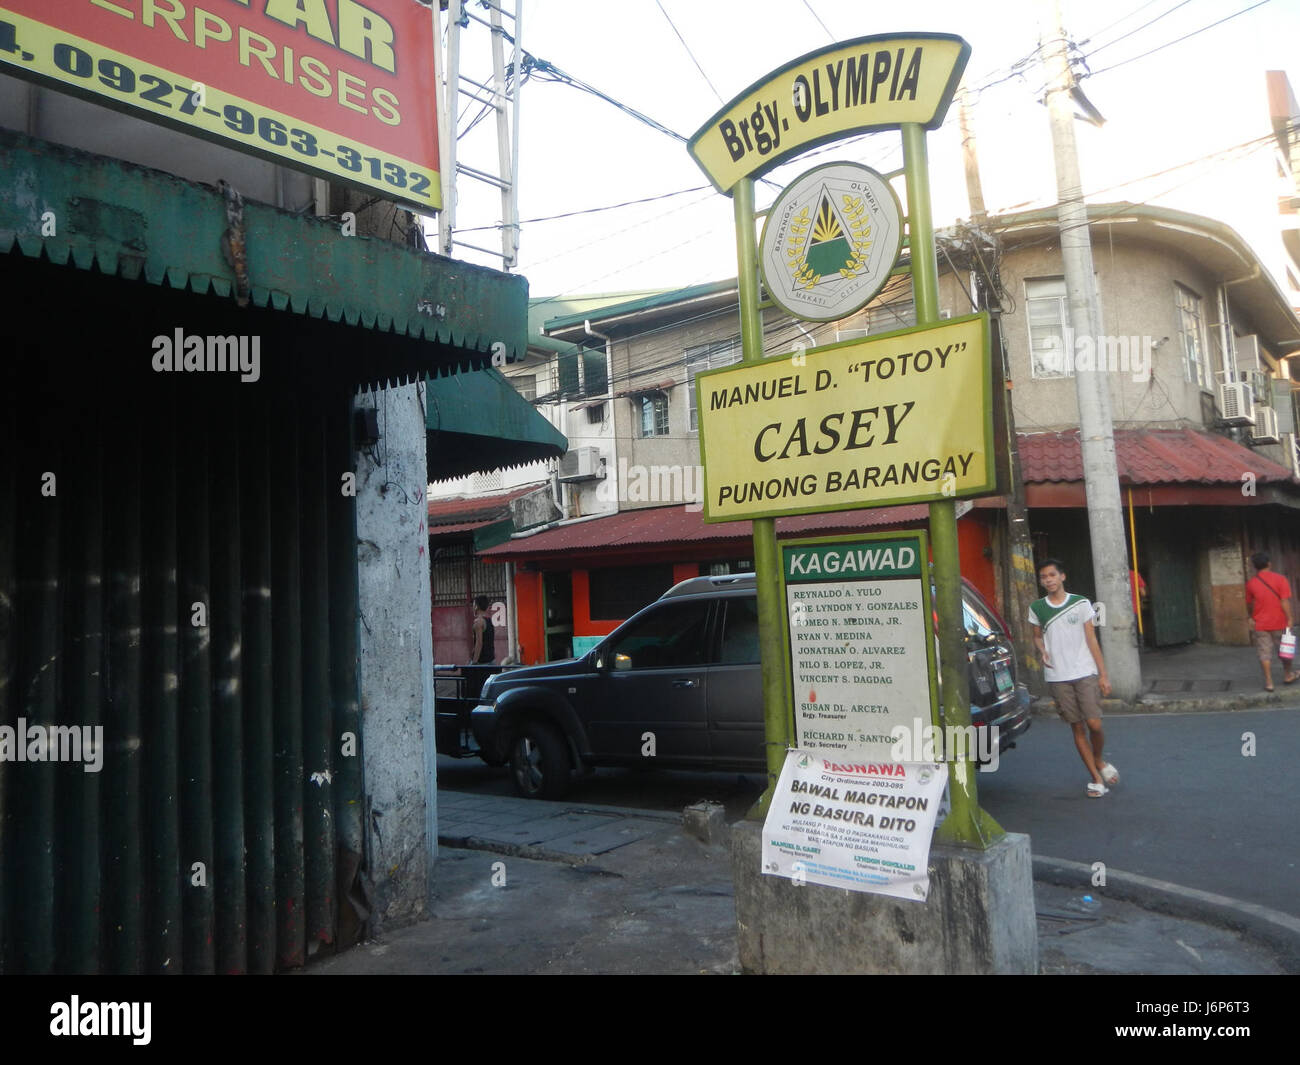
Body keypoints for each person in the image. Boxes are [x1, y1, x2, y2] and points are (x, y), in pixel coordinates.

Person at [1029, 558, 1119, 798]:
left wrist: (1104, 674)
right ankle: (1096, 778)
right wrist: (1042, 650)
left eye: (1051, 575)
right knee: (1077, 727)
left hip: (1084, 671)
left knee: (1094, 724)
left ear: (1062, 577)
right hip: (1057, 675)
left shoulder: (1080, 604)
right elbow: (1037, 636)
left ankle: (1098, 759)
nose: (1048, 580)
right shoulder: (1037, 608)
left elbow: (1091, 639)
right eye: (1043, 577)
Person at [1244, 551, 1296, 691]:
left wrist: (1251, 616)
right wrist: (1290, 618)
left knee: (1264, 652)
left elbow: (1249, 604)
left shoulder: (1251, 583)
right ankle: (1287, 675)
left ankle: (1269, 683)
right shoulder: (1280, 579)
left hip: (1261, 624)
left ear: (1255, 567)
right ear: (1269, 563)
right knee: (1285, 650)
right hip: (1280, 622)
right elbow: (1284, 601)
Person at [471, 595, 496, 665]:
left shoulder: (478, 622)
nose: (472, 607)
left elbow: (479, 643)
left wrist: (474, 662)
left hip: (482, 662)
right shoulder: (489, 621)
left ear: (476, 606)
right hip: (491, 660)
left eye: (473, 604)